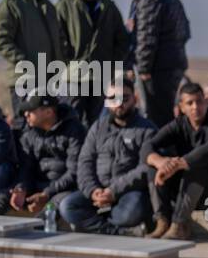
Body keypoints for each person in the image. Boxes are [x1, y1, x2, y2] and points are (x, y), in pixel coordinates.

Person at [60, 78, 156, 235]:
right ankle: (118, 231)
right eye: (113, 98)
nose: (118, 103)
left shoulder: (148, 130)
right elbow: (85, 162)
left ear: (135, 99)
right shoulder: (98, 127)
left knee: (132, 211)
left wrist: (113, 191)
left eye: (124, 98)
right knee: (67, 206)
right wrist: (93, 191)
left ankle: (99, 225)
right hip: (97, 194)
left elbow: (144, 168)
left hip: (127, 194)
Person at [144, 81, 208, 240]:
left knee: (198, 162)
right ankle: (162, 221)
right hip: (186, 193)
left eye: (199, 101)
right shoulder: (179, 125)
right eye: (190, 103)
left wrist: (174, 165)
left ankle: (179, 224)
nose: (195, 107)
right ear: (181, 106)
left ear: (206, 101)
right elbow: (148, 145)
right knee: (153, 166)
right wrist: (160, 162)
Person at [56, 0, 130, 128]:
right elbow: (56, 37)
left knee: (96, 124)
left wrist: (111, 62)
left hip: (100, 76)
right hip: (73, 76)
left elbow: (123, 40)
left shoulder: (108, 7)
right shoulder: (66, 6)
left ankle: (93, 153)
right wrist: (67, 59)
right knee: (70, 120)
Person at [0, 0, 64, 125]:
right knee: (24, 125)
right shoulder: (13, 5)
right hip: (25, 80)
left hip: (50, 80)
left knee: (48, 126)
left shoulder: (50, 9)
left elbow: (59, 41)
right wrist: (24, 61)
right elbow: (0, 40)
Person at [128, 0, 191, 128]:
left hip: (158, 69)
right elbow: (185, 32)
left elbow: (147, 37)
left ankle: (162, 150)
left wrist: (144, 68)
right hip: (173, 64)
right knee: (166, 113)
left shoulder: (151, 0)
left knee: (157, 116)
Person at [10, 92, 85, 217]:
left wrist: (46, 194)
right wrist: (22, 188)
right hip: (38, 187)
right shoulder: (30, 132)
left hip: (64, 189)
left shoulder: (75, 131)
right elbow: (26, 167)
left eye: (31, 111)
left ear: (48, 112)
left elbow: (74, 173)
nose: (26, 115)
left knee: (41, 221)